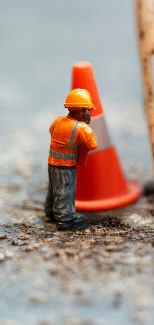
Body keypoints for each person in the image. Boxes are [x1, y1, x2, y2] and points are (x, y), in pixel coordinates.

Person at [47, 89, 98, 230]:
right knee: (65, 191)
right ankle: (66, 220)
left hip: (52, 162)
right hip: (66, 166)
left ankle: (50, 213)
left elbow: (51, 130)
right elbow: (93, 145)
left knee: (53, 190)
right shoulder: (82, 128)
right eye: (89, 111)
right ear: (84, 111)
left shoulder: (57, 121)